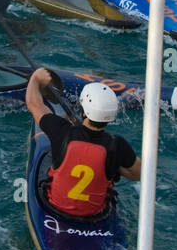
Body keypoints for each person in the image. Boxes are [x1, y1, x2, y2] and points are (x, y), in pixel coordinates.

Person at [25, 69, 140, 218]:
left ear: (84, 112)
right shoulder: (117, 145)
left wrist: (35, 79)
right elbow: (139, 174)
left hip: (56, 207)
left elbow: (34, 105)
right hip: (94, 215)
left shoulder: (61, 131)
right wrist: (114, 165)